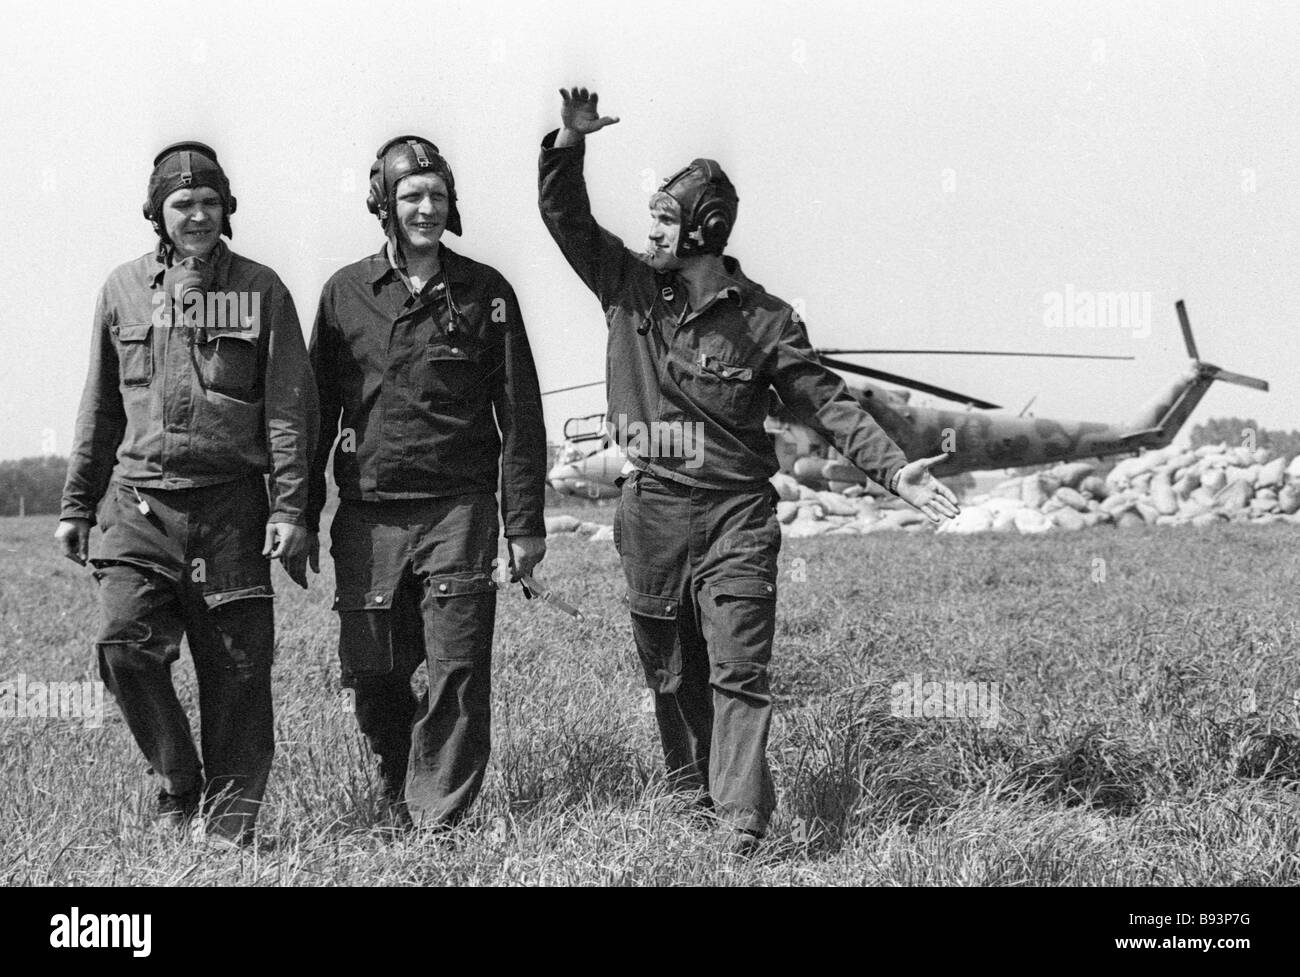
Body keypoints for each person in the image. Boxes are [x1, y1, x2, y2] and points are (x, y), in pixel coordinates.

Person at [537, 88, 960, 853]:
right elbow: (566, 217)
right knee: (670, 675)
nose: (651, 229)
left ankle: (740, 825)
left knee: (738, 668)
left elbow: (828, 406)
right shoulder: (628, 287)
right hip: (652, 511)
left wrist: (895, 473)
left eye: (665, 219)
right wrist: (570, 140)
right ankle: (691, 800)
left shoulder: (767, 320)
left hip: (737, 517)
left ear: (704, 230)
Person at [57, 141, 317, 847]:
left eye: (209, 203)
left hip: (231, 507)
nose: (197, 215)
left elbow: (290, 408)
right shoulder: (120, 289)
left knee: (237, 673)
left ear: (225, 209)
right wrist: (77, 504)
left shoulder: (262, 290)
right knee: (122, 643)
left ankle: (229, 833)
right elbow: (99, 406)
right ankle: (177, 777)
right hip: (137, 503)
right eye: (182, 204)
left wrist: (293, 508)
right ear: (157, 213)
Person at [300, 135, 548, 829]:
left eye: (438, 195)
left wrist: (523, 523)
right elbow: (316, 419)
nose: (426, 208)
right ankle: (401, 776)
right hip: (370, 515)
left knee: (458, 670)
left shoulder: (486, 292)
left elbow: (520, 417)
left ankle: (438, 820)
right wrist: (298, 513)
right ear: (383, 203)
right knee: (374, 671)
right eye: (411, 196)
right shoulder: (344, 294)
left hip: (459, 511)